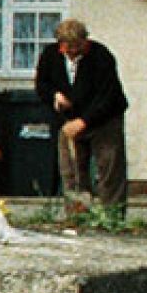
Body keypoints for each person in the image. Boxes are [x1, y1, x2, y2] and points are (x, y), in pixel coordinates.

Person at [33, 18, 127, 208]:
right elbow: (42, 84)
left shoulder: (101, 56)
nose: (72, 52)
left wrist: (83, 122)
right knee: (71, 171)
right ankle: (77, 214)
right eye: (67, 48)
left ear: (86, 42)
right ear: (60, 45)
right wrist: (55, 95)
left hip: (104, 119)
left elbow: (108, 96)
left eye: (77, 47)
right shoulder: (50, 55)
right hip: (69, 119)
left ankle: (112, 215)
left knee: (109, 168)